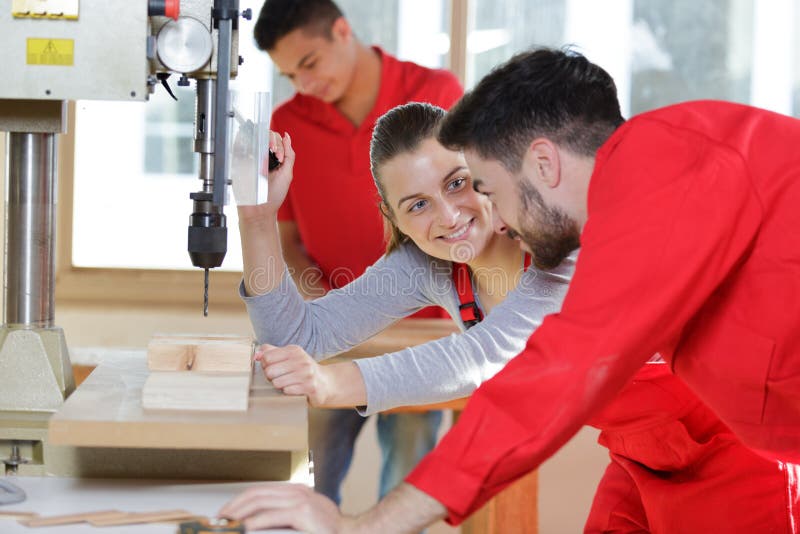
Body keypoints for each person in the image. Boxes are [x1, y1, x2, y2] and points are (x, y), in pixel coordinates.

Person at [221, 103, 799, 533]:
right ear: (394, 216)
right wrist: (256, 217)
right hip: (639, 454)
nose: (449, 216)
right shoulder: (427, 264)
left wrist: (336, 382)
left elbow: (484, 358)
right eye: (417, 205)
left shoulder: (558, 247)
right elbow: (297, 336)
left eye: (457, 183)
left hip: (731, 451)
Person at [252, 0, 463, 505]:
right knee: (309, 478)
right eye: (289, 74)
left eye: (309, 64)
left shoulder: (436, 95)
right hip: (332, 335)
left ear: (342, 31)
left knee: (409, 484)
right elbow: (287, 244)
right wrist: (322, 310)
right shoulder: (288, 125)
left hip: (425, 333)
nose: (304, 84)